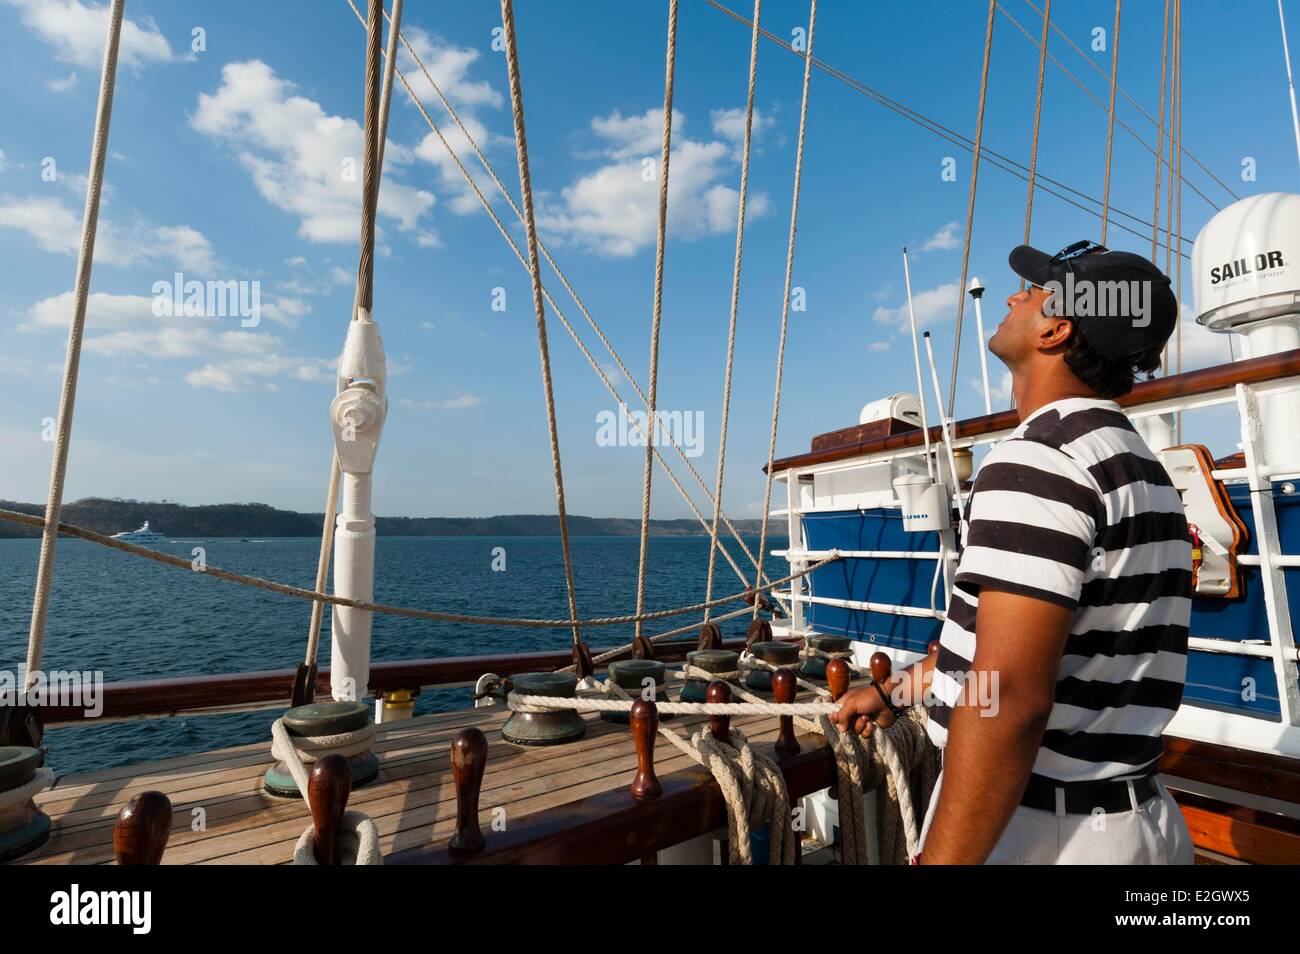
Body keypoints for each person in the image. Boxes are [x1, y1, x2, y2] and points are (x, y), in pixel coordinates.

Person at [833, 241, 1194, 864]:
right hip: (1143, 824)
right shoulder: (1139, 466)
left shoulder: (1040, 460)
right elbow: (1061, 652)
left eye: (1034, 289)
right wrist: (897, 693)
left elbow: (1012, 697)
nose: (1011, 296)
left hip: (1045, 835)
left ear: (1056, 329)